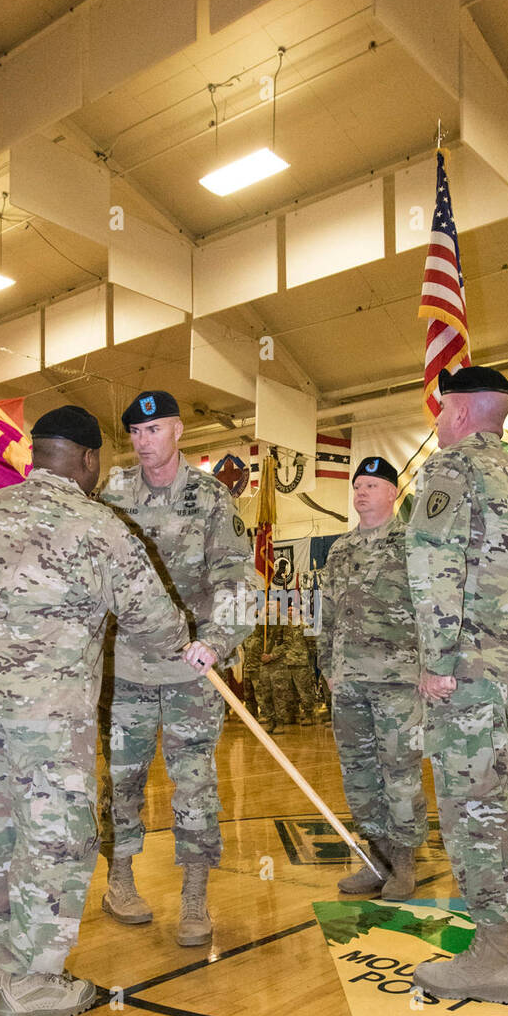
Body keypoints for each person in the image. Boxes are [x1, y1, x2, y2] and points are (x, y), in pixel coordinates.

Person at [0, 405, 189, 1016]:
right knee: (55, 838)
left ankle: (5, 970)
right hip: (48, 717)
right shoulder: (101, 529)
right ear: (87, 460)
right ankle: (32, 983)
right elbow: (157, 624)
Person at [406, 367, 508, 1003]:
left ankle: (494, 952)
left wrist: (436, 660)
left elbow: (433, 567)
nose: (438, 422)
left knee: (474, 807)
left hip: (469, 673)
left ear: (462, 413)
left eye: (443, 411)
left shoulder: (450, 471)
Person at [98, 390, 256, 946]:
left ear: (178, 431)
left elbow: (239, 579)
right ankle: (119, 877)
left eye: (155, 430)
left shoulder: (211, 498)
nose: (144, 442)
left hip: (193, 672)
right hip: (127, 670)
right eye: (136, 433)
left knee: (194, 783)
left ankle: (194, 894)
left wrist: (216, 640)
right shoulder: (113, 493)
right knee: (123, 779)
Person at [318, 456, 425, 900]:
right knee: (358, 775)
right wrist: (326, 668)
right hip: (348, 682)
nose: (361, 492)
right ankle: (376, 859)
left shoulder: (413, 543)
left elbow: (431, 611)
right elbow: (325, 615)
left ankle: (404, 866)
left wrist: (429, 668)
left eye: (371, 485)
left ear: (392, 492)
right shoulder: (340, 549)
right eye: (357, 485)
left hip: (398, 682)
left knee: (400, 776)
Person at [257, 599, 295, 733]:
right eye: (267, 604)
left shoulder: (285, 622)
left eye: (271, 604)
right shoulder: (264, 623)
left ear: (279, 606)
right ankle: (270, 721)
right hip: (264, 665)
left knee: (279, 694)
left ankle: (280, 722)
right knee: (265, 694)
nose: (268, 606)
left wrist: (272, 656)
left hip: (278, 665)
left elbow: (288, 644)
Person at [282, 609, 318, 724]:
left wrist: (309, 660)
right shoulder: (284, 627)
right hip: (287, 663)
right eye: (288, 610)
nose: (290, 612)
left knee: (304, 690)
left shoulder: (305, 627)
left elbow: (312, 645)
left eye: (293, 610)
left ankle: (309, 714)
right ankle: (292, 714)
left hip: (301, 664)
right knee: (289, 691)